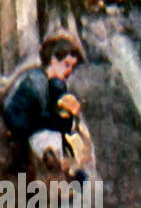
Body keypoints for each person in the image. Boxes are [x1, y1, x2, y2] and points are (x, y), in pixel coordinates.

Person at [2, 31, 85, 174]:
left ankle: (65, 166)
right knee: (48, 134)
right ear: (53, 60)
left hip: (31, 121)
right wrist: (66, 123)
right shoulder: (37, 80)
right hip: (18, 122)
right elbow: (42, 115)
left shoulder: (52, 82)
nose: (69, 71)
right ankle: (53, 161)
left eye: (72, 67)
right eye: (66, 65)